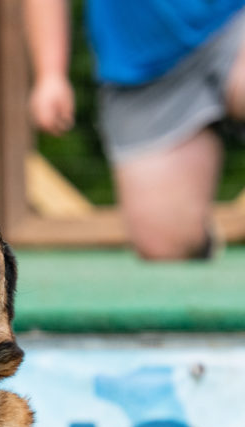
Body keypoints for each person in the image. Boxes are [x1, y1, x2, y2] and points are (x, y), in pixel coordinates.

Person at [24, 0, 245, 259]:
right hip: (141, 62)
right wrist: (50, 74)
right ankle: (196, 228)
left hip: (233, 22)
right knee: (166, 244)